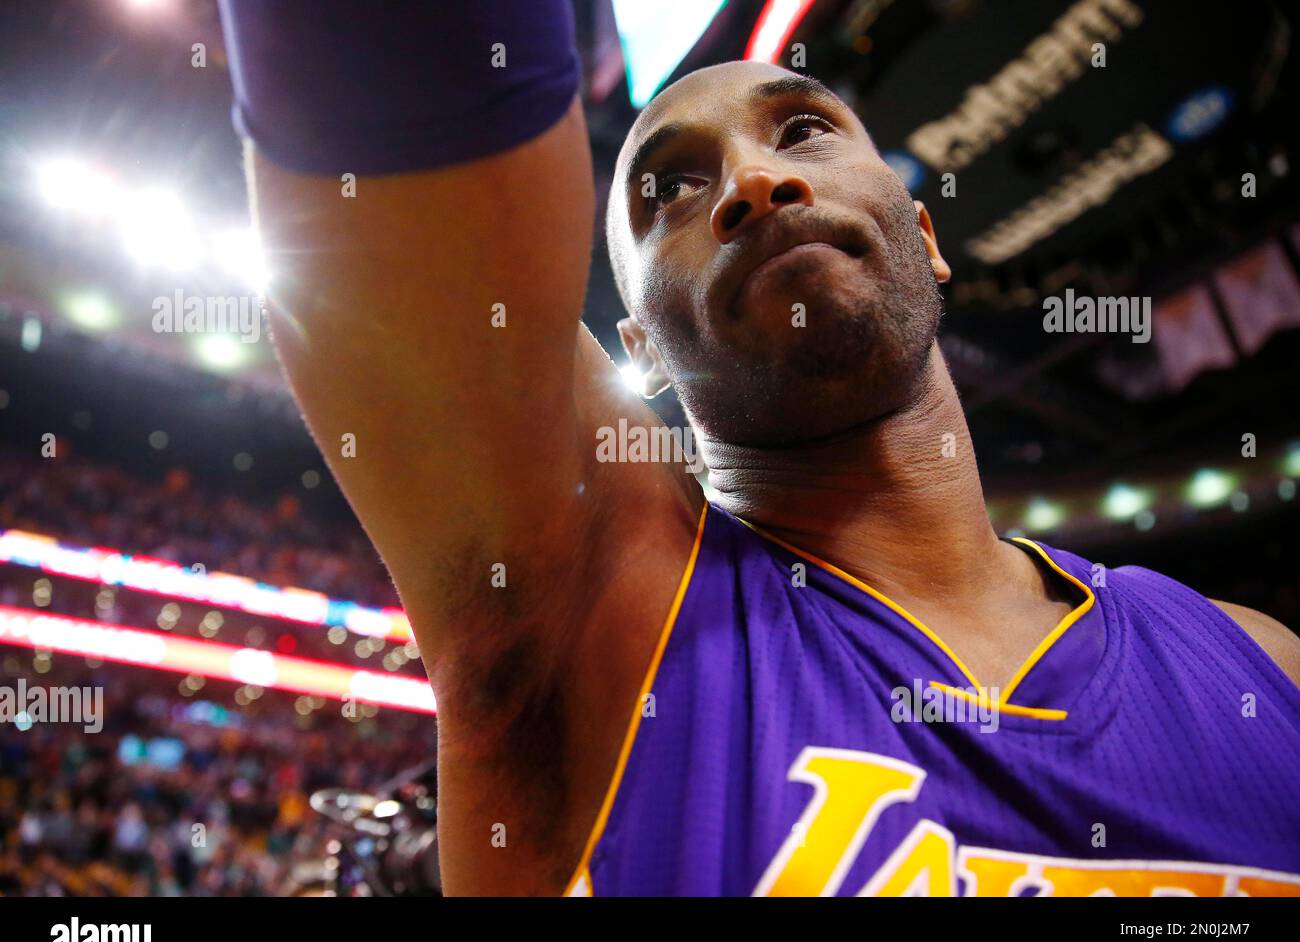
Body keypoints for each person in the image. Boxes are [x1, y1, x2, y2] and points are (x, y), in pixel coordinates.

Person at [218, 1, 1300, 896]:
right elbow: (385, 67)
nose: (750, 183)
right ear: (635, 340)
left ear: (924, 236)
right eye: (670, 190)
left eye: (802, 132)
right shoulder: (594, 615)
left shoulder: (1263, 667)